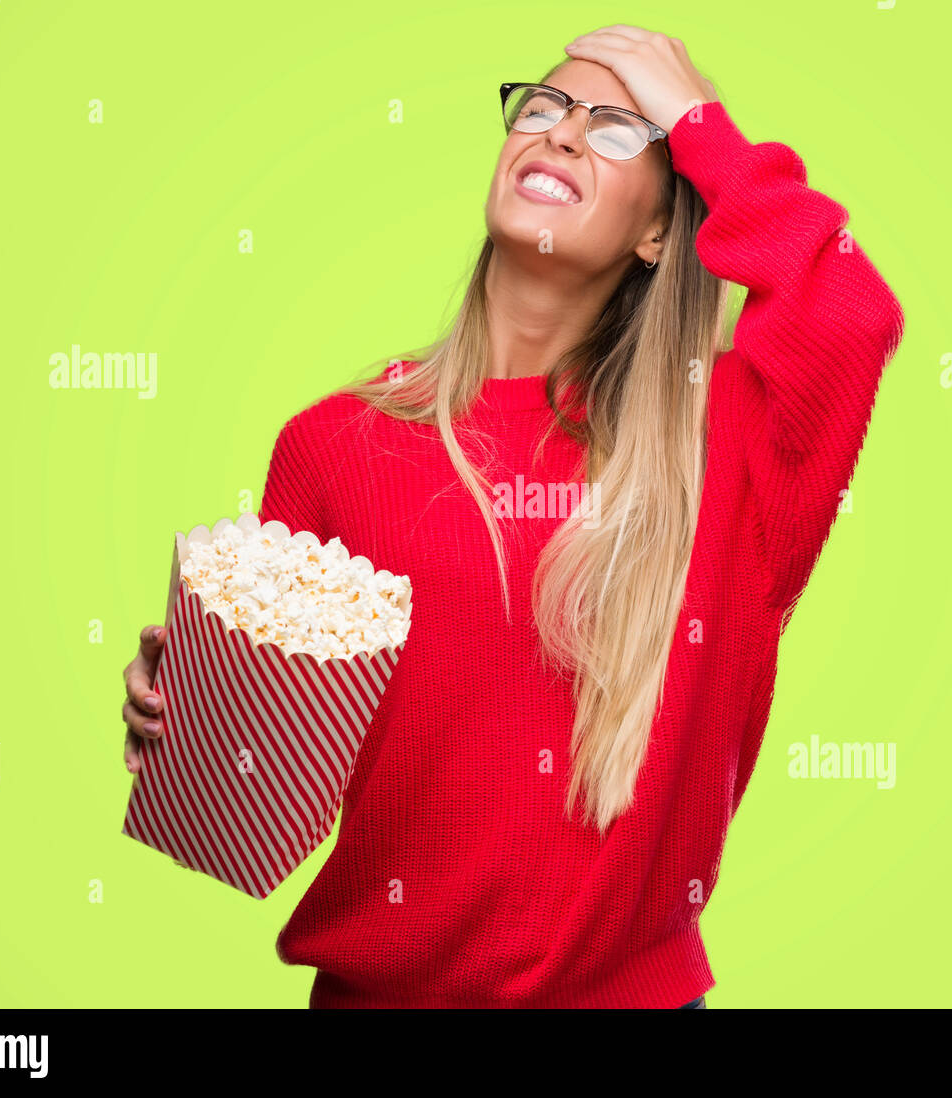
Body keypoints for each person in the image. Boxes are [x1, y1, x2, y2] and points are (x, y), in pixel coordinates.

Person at [122, 24, 905, 1009]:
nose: (563, 134)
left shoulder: (733, 444)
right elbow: (260, 789)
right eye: (542, 108)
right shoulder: (333, 444)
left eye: (620, 130)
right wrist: (191, 706)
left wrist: (702, 125)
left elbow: (853, 312)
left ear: (662, 232)